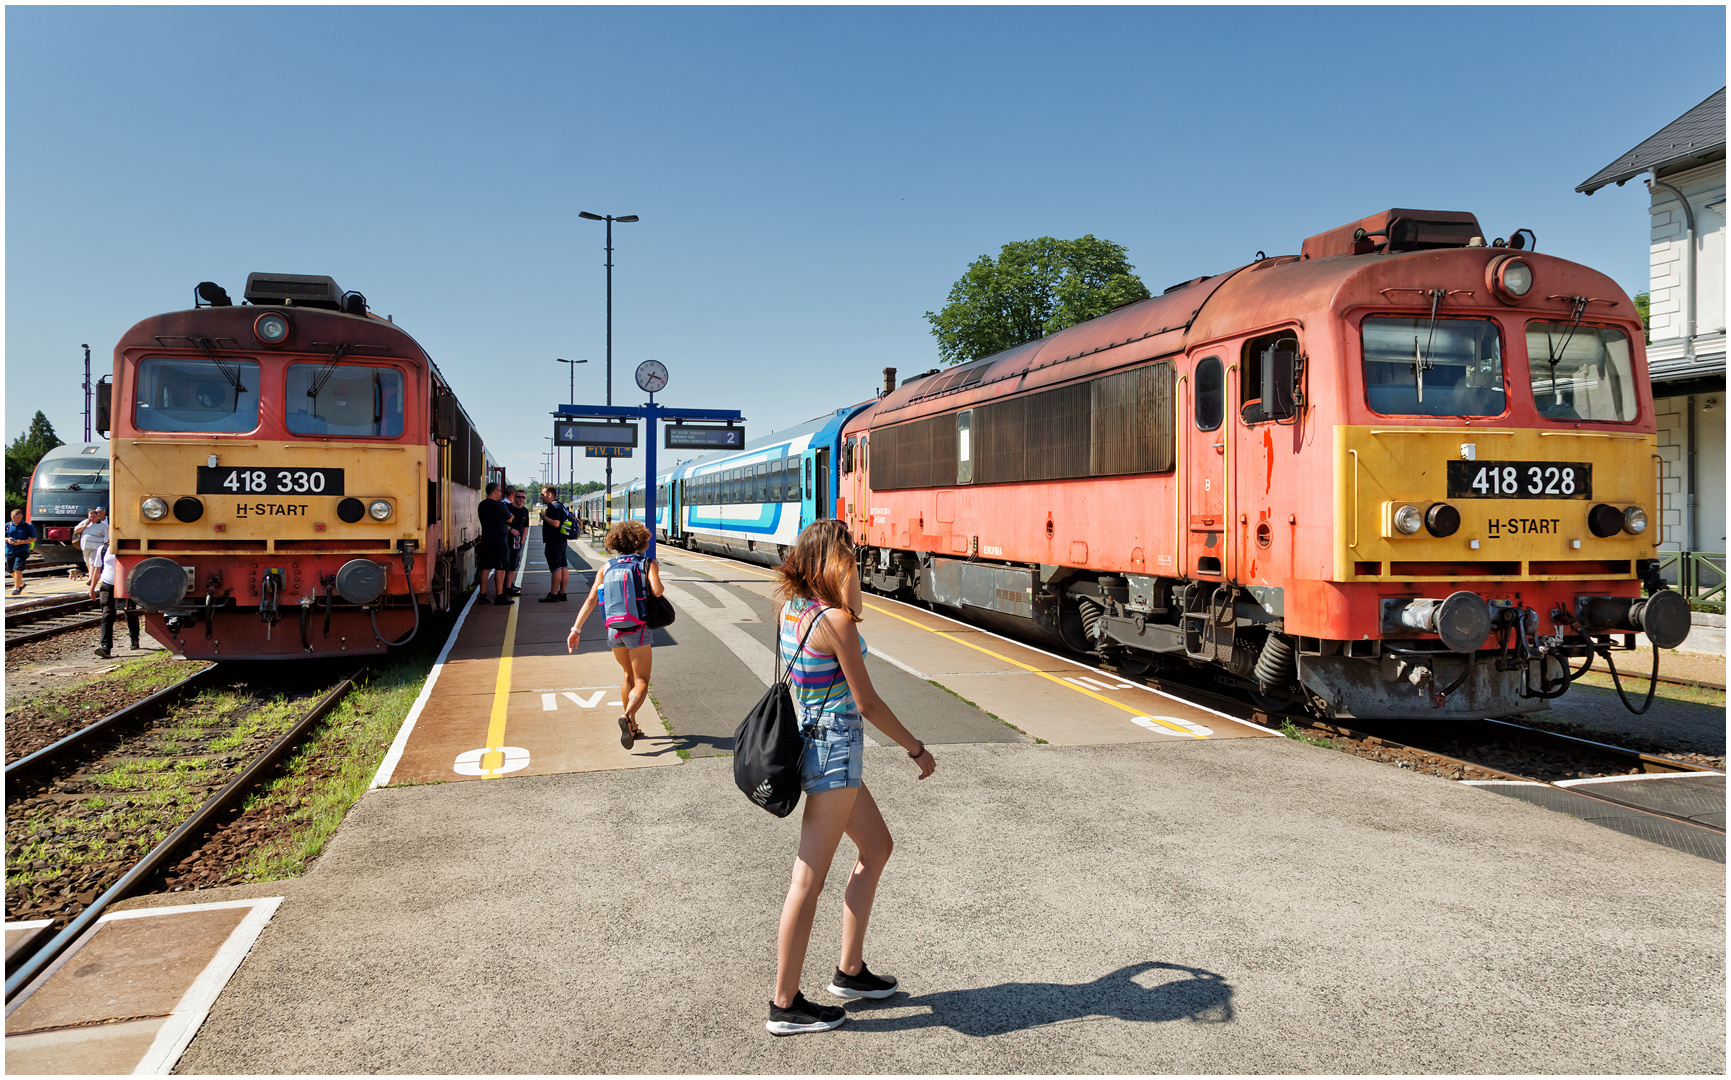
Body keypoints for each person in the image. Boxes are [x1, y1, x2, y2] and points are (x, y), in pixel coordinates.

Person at [764, 519, 935, 1036]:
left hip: (824, 746)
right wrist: (916, 749)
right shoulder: (837, 619)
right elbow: (867, 701)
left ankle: (851, 972)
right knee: (807, 879)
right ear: (831, 561)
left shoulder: (793, 609)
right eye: (850, 556)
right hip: (835, 752)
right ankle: (785, 1003)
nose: (856, 563)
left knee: (877, 847)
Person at [565, 519, 664, 750]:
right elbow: (657, 591)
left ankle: (632, 727)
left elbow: (591, 600)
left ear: (615, 541)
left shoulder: (606, 567)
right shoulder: (648, 563)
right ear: (641, 540)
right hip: (637, 628)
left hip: (614, 629)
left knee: (627, 675)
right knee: (641, 680)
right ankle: (628, 716)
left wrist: (575, 629)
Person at [89, 542, 139, 659]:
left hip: (127, 584)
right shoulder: (103, 549)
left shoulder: (130, 547)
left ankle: (134, 639)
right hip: (108, 585)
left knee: (130, 612)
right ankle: (106, 647)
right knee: (107, 614)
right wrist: (92, 588)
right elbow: (97, 570)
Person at [475, 483, 513, 605]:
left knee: (485, 568)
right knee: (500, 568)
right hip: (499, 541)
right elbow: (510, 519)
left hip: (486, 539)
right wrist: (510, 515)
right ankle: (499, 595)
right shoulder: (499, 506)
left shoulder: (482, 505)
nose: (501, 493)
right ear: (495, 491)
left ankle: (482, 595)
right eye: (500, 491)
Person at [539, 484, 572, 603]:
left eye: (542, 494)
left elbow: (556, 523)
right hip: (562, 540)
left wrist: (543, 516)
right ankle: (562, 593)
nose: (541, 497)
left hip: (554, 541)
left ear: (549, 495)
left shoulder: (552, 507)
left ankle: (553, 594)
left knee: (556, 568)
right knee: (563, 567)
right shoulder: (561, 505)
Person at [504, 487, 530, 597]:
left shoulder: (525, 511)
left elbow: (525, 527)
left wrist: (522, 541)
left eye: (523, 497)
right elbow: (501, 524)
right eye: (518, 497)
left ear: (525, 499)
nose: (520, 499)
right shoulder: (507, 508)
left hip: (517, 542)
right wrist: (510, 530)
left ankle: (509, 586)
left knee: (513, 565)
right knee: (505, 565)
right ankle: (504, 587)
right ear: (514, 497)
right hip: (505, 540)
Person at [73, 507, 108, 582]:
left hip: (95, 547)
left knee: (92, 562)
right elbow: (75, 530)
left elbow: (107, 536)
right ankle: (92, 576)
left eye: (94, 517)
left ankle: (91, 579)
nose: (92, 518)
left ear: (98, 516)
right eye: (90, 517)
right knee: (88, 562)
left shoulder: (104, 525)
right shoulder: (85, 522)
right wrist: (84, 526)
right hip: (85, 547)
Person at [6, 508, 36, 595]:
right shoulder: (7, 525)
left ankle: (16, 588)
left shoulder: (28, 526)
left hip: (22, 550)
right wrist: (8, 539)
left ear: (21, 517)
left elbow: (34, 538)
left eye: (18, 518)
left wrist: (22, 542)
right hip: (9, 550)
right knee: (11, 570)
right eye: (14, 518)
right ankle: (21, 584)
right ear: (11, 516)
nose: (16, 520)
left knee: (17, 569)